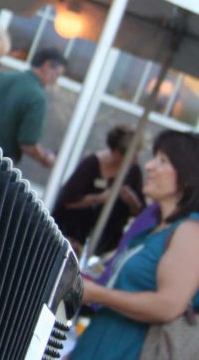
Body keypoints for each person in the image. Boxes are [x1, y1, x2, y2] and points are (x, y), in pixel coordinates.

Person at [70, 129, 199, 360]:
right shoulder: (156, 230)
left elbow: (169, 305)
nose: (149, 166)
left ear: (188, 176)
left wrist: (99, 294)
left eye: (163, 161)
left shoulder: (191, 231)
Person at [52, 125, 144, 257]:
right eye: (132, 155)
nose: (136, 159)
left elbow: (140, 211)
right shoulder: (90, 164)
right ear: (118, 153)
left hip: (105, 244)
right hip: (71, 235)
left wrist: (132, 201)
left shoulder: (134, 172)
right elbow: (66, 201)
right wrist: (99, 198)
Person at [0, 46, 66, 167]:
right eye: (57, 75)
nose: (55, 81)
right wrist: (45, 159)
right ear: (47, 66)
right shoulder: (37, 98)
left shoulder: (0, 77)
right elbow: (28, 144)